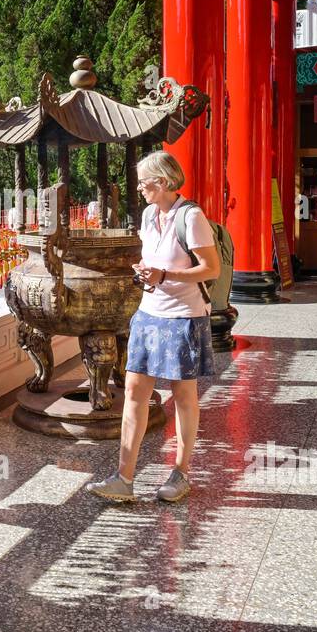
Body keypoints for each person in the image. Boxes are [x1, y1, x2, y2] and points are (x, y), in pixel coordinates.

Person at [85, 150, 220, 503]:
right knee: (133, 391)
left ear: (161, 182)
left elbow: (211, 269)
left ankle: (181, 472)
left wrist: (166, 275)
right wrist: (147, 270)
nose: (140, 186)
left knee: (183, 395)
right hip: (149, 312)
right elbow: (154, 258)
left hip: (183, 316)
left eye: (144, 180)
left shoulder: (191, 217)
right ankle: (123, 478)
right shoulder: (148, 214)